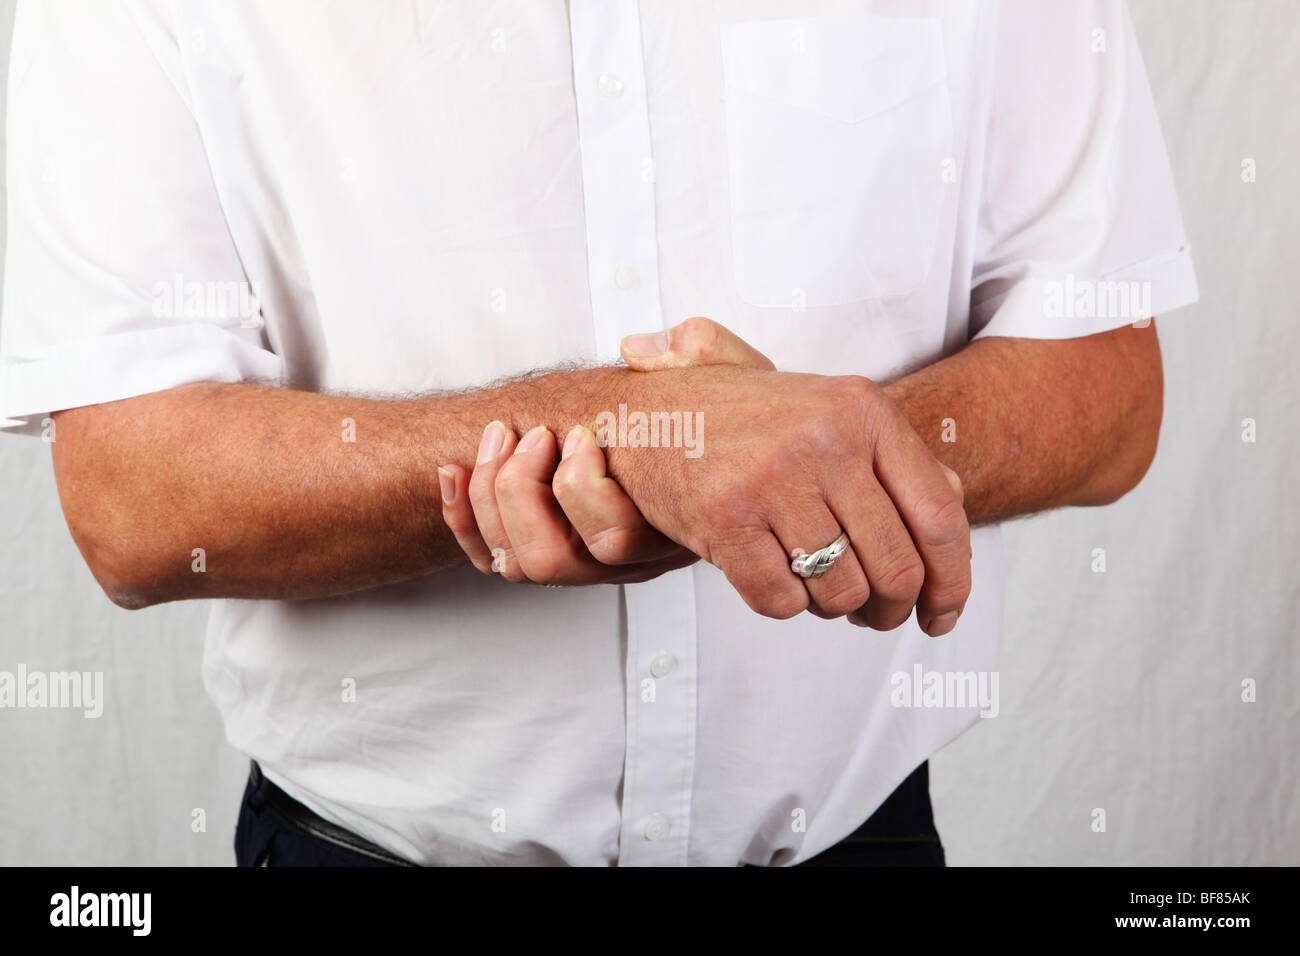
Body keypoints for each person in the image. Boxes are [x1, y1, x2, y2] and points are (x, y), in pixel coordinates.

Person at [0, 0, 1197, 866]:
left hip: (857, 839)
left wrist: (816, 458)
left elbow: (1104, 373)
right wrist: (620, 440)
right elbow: (132, 495)